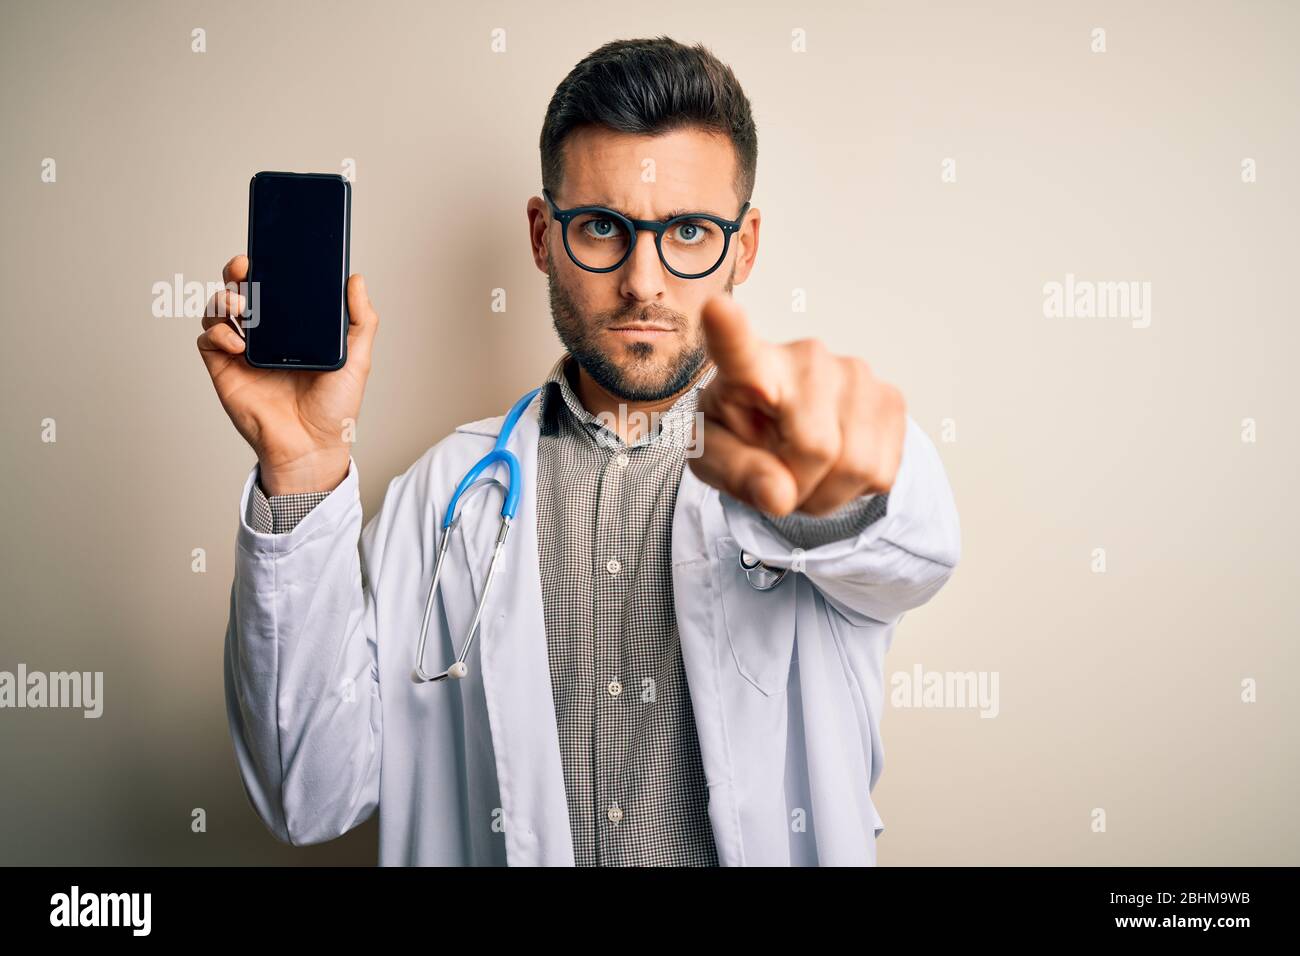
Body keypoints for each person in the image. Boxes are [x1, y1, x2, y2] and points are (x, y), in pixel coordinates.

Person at [197, 36, 960, 866]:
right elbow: (307, 792)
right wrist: (302, 462)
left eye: (691, 231)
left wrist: (838, 483)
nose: (643, 280)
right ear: (540, 234)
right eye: (602, 227)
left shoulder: (795, 460)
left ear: (744, 245)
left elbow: (910, 542)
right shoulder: (445, 496)